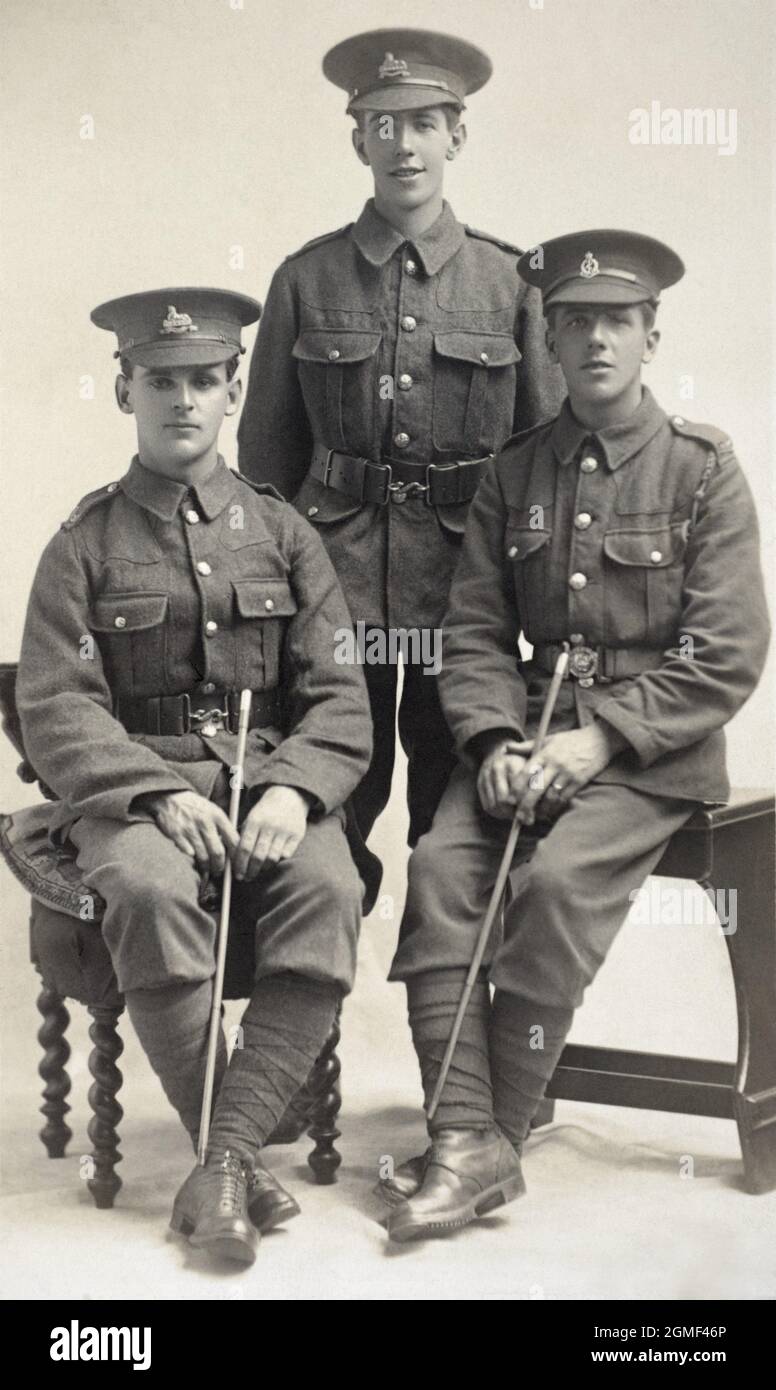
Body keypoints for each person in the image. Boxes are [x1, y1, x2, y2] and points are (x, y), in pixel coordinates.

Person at [379, 230, 771, 1241]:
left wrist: (598, 742)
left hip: (651, 753)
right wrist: (491, 741)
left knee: (551, 888)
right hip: (526, 735)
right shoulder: (515, 471)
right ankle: (469, 1141)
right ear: (546, 339)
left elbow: (727, 650)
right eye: (574, 321)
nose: (595, 338)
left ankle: (483, 1133)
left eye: (615, 320)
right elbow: (469, 631)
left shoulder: (700, 468)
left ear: (649, 334)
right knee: (435, 869)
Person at [16, 288, 375, 1267]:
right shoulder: (82, 543)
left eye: (203, 382)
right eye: (160, 382)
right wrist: (159, 793)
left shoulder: (285, 534)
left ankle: (216, 1166)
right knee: (143, 883)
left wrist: (293, 792)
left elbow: (340, 694)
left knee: (329, 882)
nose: (183, 400)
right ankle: (238, 1166)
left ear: (230, 392)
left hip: (265, 782)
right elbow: (54, 704)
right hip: (137, 791)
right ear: (123, 389)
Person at [237, 27, 562, 851]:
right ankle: (313, 982)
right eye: (384, 125)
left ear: (457, 134)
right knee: (317, 820)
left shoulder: (511, 283)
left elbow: (543, 460)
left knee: (462, 822)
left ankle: (453, 983)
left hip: (465, 601)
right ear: (358, 141)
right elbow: (266, 460)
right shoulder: (305, 279)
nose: (404, 144)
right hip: (333, 596)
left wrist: (521, 594)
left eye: (423, 123)